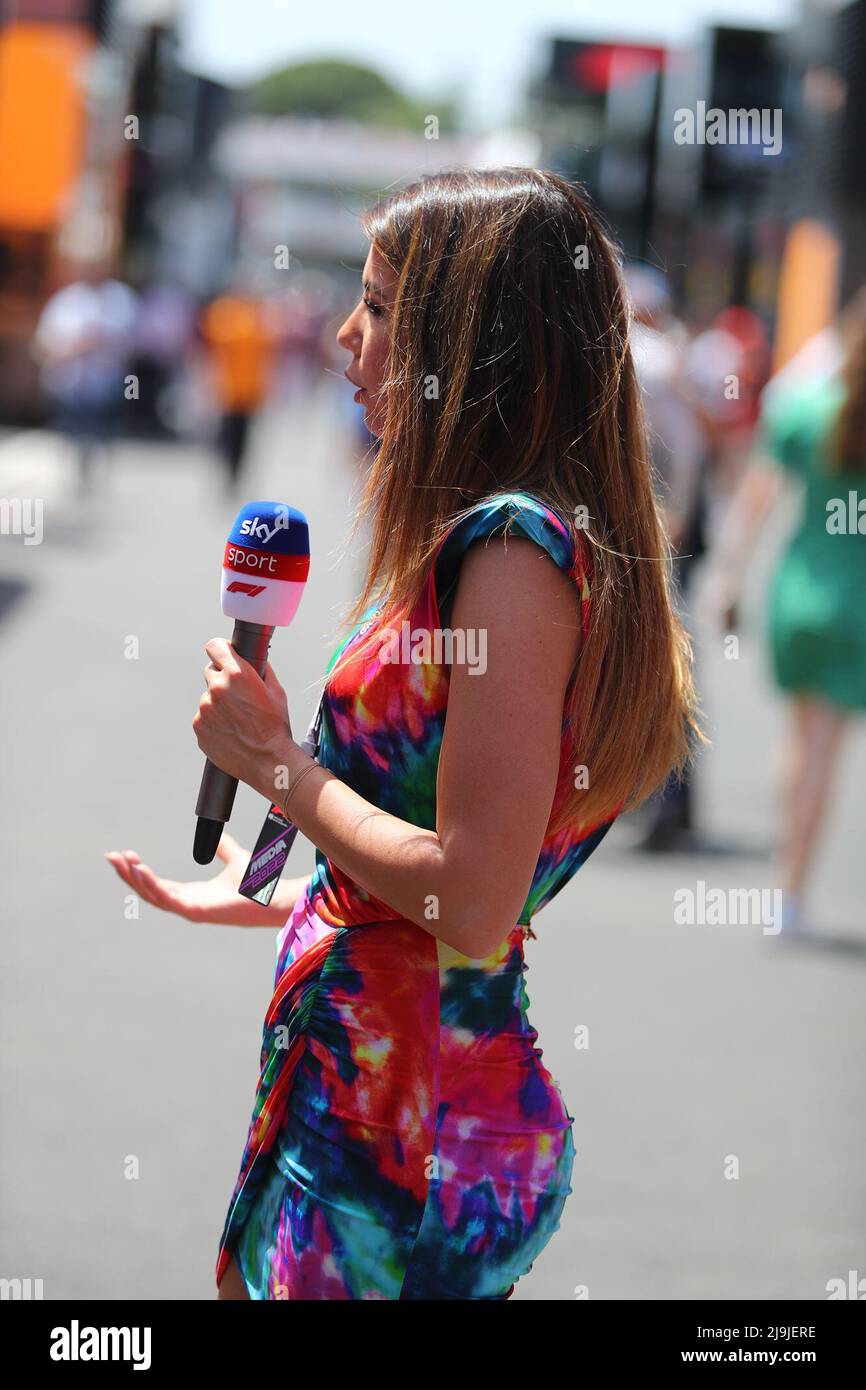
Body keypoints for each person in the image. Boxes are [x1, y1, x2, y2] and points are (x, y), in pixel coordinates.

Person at [106, 169, 697, 1301]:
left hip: (409, 1132)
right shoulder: (500, 539)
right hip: (372, 1091)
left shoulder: (514, 554)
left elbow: (472, 898)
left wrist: (275, 767)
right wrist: (294, 895)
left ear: (470, 341)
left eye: (377, 306)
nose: (343, 335)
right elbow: (442, 870)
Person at [703, 294, 866, 936]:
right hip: (856, 600)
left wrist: (729, 576)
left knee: (801, 739)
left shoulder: (809, 410)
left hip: (800, 593)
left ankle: (784, 884)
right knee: (827, 746)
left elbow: (757, 499)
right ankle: (796, 883)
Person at [32, 262, 139, 493]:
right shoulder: (66, 300)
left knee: (102, 432)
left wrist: (104, 341)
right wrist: (72, 347)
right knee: (72, 432)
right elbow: (44, 343)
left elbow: (134, 341)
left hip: (108, 382)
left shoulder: (121, 299)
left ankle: (97, 475)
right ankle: (77, 475)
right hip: (69, 383)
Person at [198, 286, 281, 491]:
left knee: (242, 436)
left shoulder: (259, 316)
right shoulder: (225, 313)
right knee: (225, 434)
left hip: (249, 389)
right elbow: (211, 347)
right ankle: (225, 472)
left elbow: (269, 352)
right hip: (227, 387)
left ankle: (236, 474)